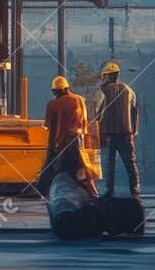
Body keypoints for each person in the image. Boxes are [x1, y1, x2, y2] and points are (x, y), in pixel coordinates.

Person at [93, 60, 140, 197]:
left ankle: (109, 191)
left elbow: (96, 113)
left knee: (109, 164)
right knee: (130, 162)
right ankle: (135, 189)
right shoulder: (128, 90)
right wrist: (134, 130)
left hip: (107, 134)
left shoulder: (101, 91)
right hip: (126, 132)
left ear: (106, 76)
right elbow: (135, 110)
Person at [39, 75, 92, 194]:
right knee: (77, 169)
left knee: (52, 167)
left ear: (59, 90)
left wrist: (52, 146)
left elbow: (48, 126)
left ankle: (42, 191)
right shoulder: (80, 100)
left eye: (54, 90)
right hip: (78, 140)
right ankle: (87, 192)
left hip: (60, 142)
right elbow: (84, 121)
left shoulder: (52, 104)